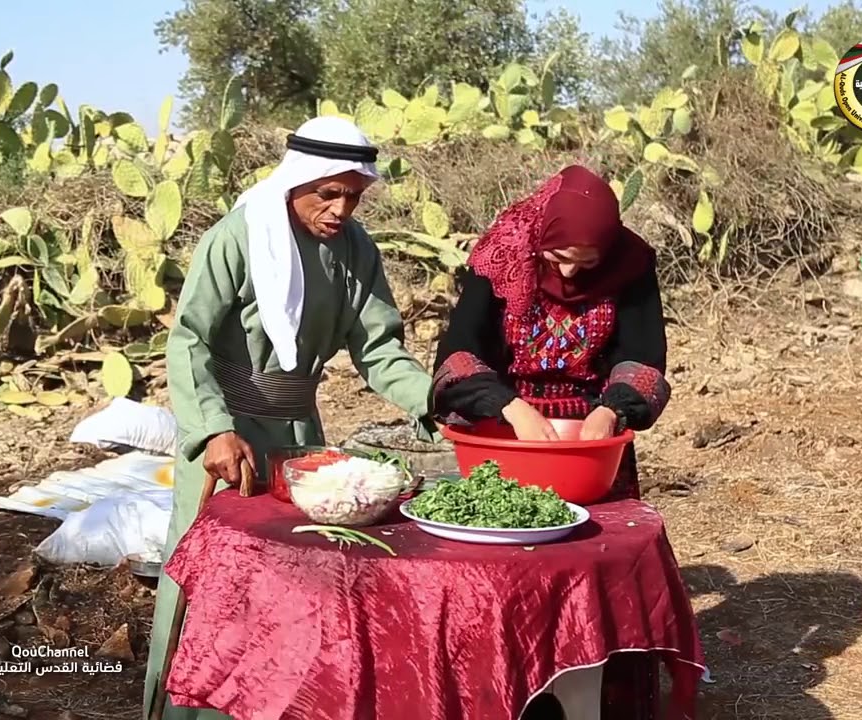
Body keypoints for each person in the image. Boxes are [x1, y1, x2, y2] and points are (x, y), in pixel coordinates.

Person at [143, 116, 438, 720]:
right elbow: (189, 339)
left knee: (297, 584)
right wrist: (213, 430)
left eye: (353, 197)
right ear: (294, 182)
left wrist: (438, 403)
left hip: (303, 443)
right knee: (215, 589)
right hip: (227, 442)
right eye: (327, 193)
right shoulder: (238, 237)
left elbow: (378, 349)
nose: (340, 209)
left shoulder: (355, 249)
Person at [429, 164, 672, 719]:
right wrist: (509, 406)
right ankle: (512, 696)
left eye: (587, 264)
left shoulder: (632, 264)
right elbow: (459, 352)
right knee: (515, 575)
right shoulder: (501, 255)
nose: (570, 272)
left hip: (589, 442)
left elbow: (643, 355)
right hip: (507, 434)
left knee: (585, 574)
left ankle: (590, 698)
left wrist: (613, 410)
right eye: (558, 258)